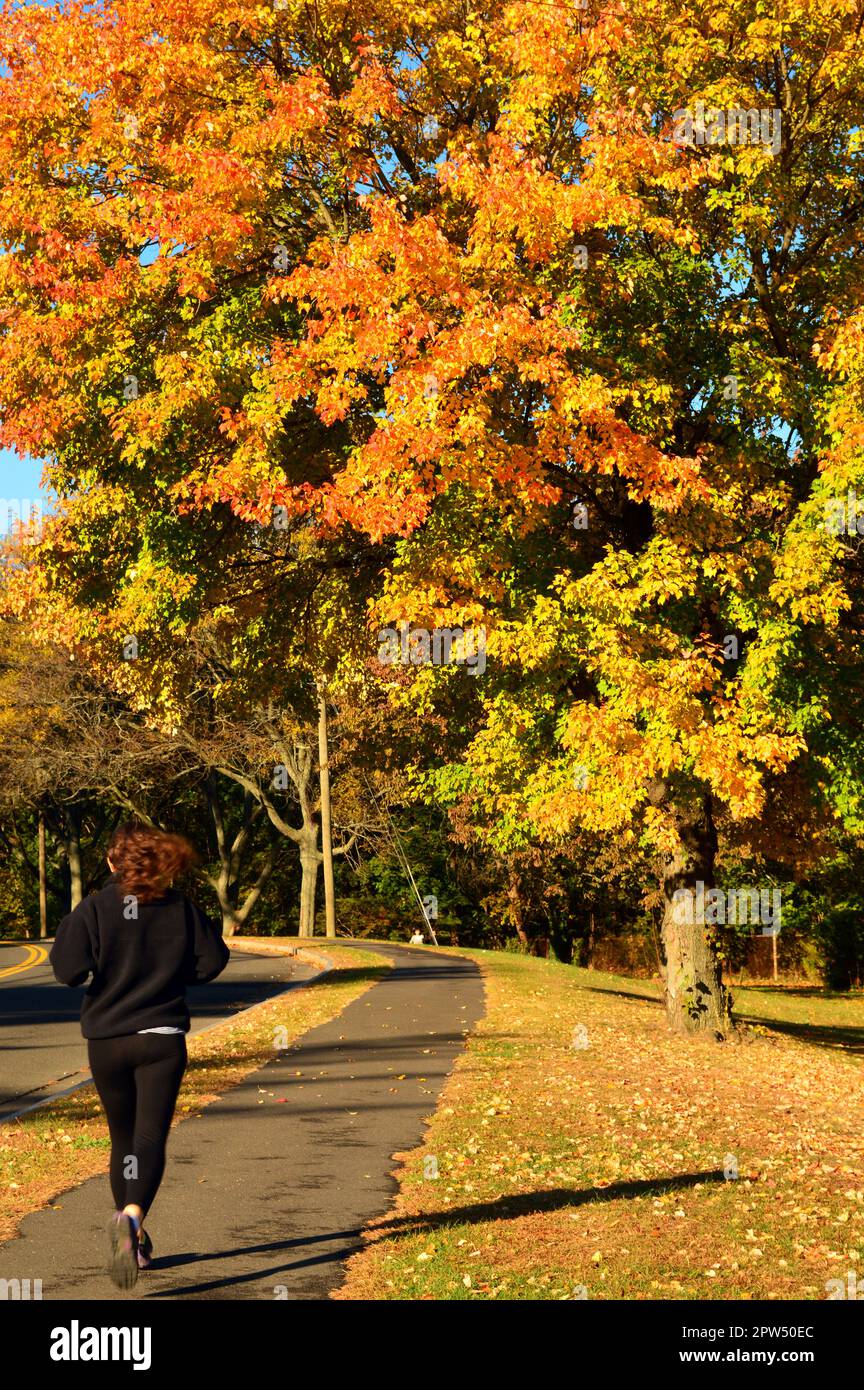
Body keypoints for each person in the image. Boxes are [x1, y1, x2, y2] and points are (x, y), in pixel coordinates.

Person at [50, 822, 229, 1290]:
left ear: (112, 861)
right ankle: (132, 1219)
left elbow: (68, 970)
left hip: (108, 1041)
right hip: (160, 1039)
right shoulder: (181, 908)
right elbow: (212, 962)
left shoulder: (94, 908)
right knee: (149, 1136)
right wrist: (172, 973)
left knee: (123, 1138)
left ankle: (134, 1234)